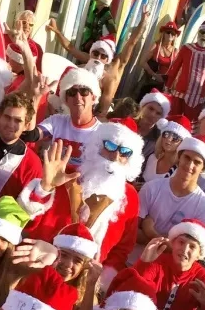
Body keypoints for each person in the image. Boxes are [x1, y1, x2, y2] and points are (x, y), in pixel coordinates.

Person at [25, 119, 143, 286]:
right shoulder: (66, 177)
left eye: (125, 152)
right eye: (109, 146)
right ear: (96, 146)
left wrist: (101, 278)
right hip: (42, 268)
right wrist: (44, 187)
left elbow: (123, 248)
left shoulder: (130, 197)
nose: (115, 157)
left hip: (86, 285)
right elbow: (28, 220)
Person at [135, 136, 205, 249]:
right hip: (134, 262)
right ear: (179, 158)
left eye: (197, 162)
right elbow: (131, 232)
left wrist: (150, 232)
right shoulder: (151, 188)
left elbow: (191, 252)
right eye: (187, 158)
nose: (189, 165)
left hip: (168, 266)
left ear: (203, 169)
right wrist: (170, 243)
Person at [141, 114, 190, 184]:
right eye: (166, 134)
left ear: (183, 143)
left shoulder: (181, 169)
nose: (168, 139)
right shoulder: (152, 158)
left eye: (175, 137)